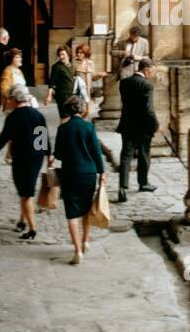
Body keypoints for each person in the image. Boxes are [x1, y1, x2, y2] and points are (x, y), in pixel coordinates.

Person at [0, 85, 48, 241]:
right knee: (26, 192)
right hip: (36, 157)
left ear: (15, 100)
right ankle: (22, 221)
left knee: (25, 194)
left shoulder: (13, 117)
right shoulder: (38, 115)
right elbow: (42, 139)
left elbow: (4, 138)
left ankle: (32, 228)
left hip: (22, 158)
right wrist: (46, 156)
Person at [52, 94, 106, 265]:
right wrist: (102, 172)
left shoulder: (63, 129)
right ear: (82, 109)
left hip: (70, 173)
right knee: (86, 208)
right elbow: (97, 152)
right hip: (89, 173)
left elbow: (58, 154)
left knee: (72, 212)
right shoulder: (89, 127)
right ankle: (86, 240)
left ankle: (77, 250)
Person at [116, 55, 158, 203]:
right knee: (144, 154)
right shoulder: (147, 85)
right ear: (146, 70)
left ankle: (122, 186)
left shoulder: (124, 83)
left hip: (127, 124)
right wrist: (156, 125)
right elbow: (149, 109)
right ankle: (143, 183)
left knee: (126, 156)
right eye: (152, 71)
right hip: (143, 126)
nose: (152, 74)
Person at [47, 45, 76, 110]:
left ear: (68, 54)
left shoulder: (71, 66)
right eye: (59, 55)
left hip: (72, 95)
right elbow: (51, 82)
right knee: (65, 116)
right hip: (62, 95)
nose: (61, 57)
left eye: (63, 54)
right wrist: (49, 96)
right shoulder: (56, 67)